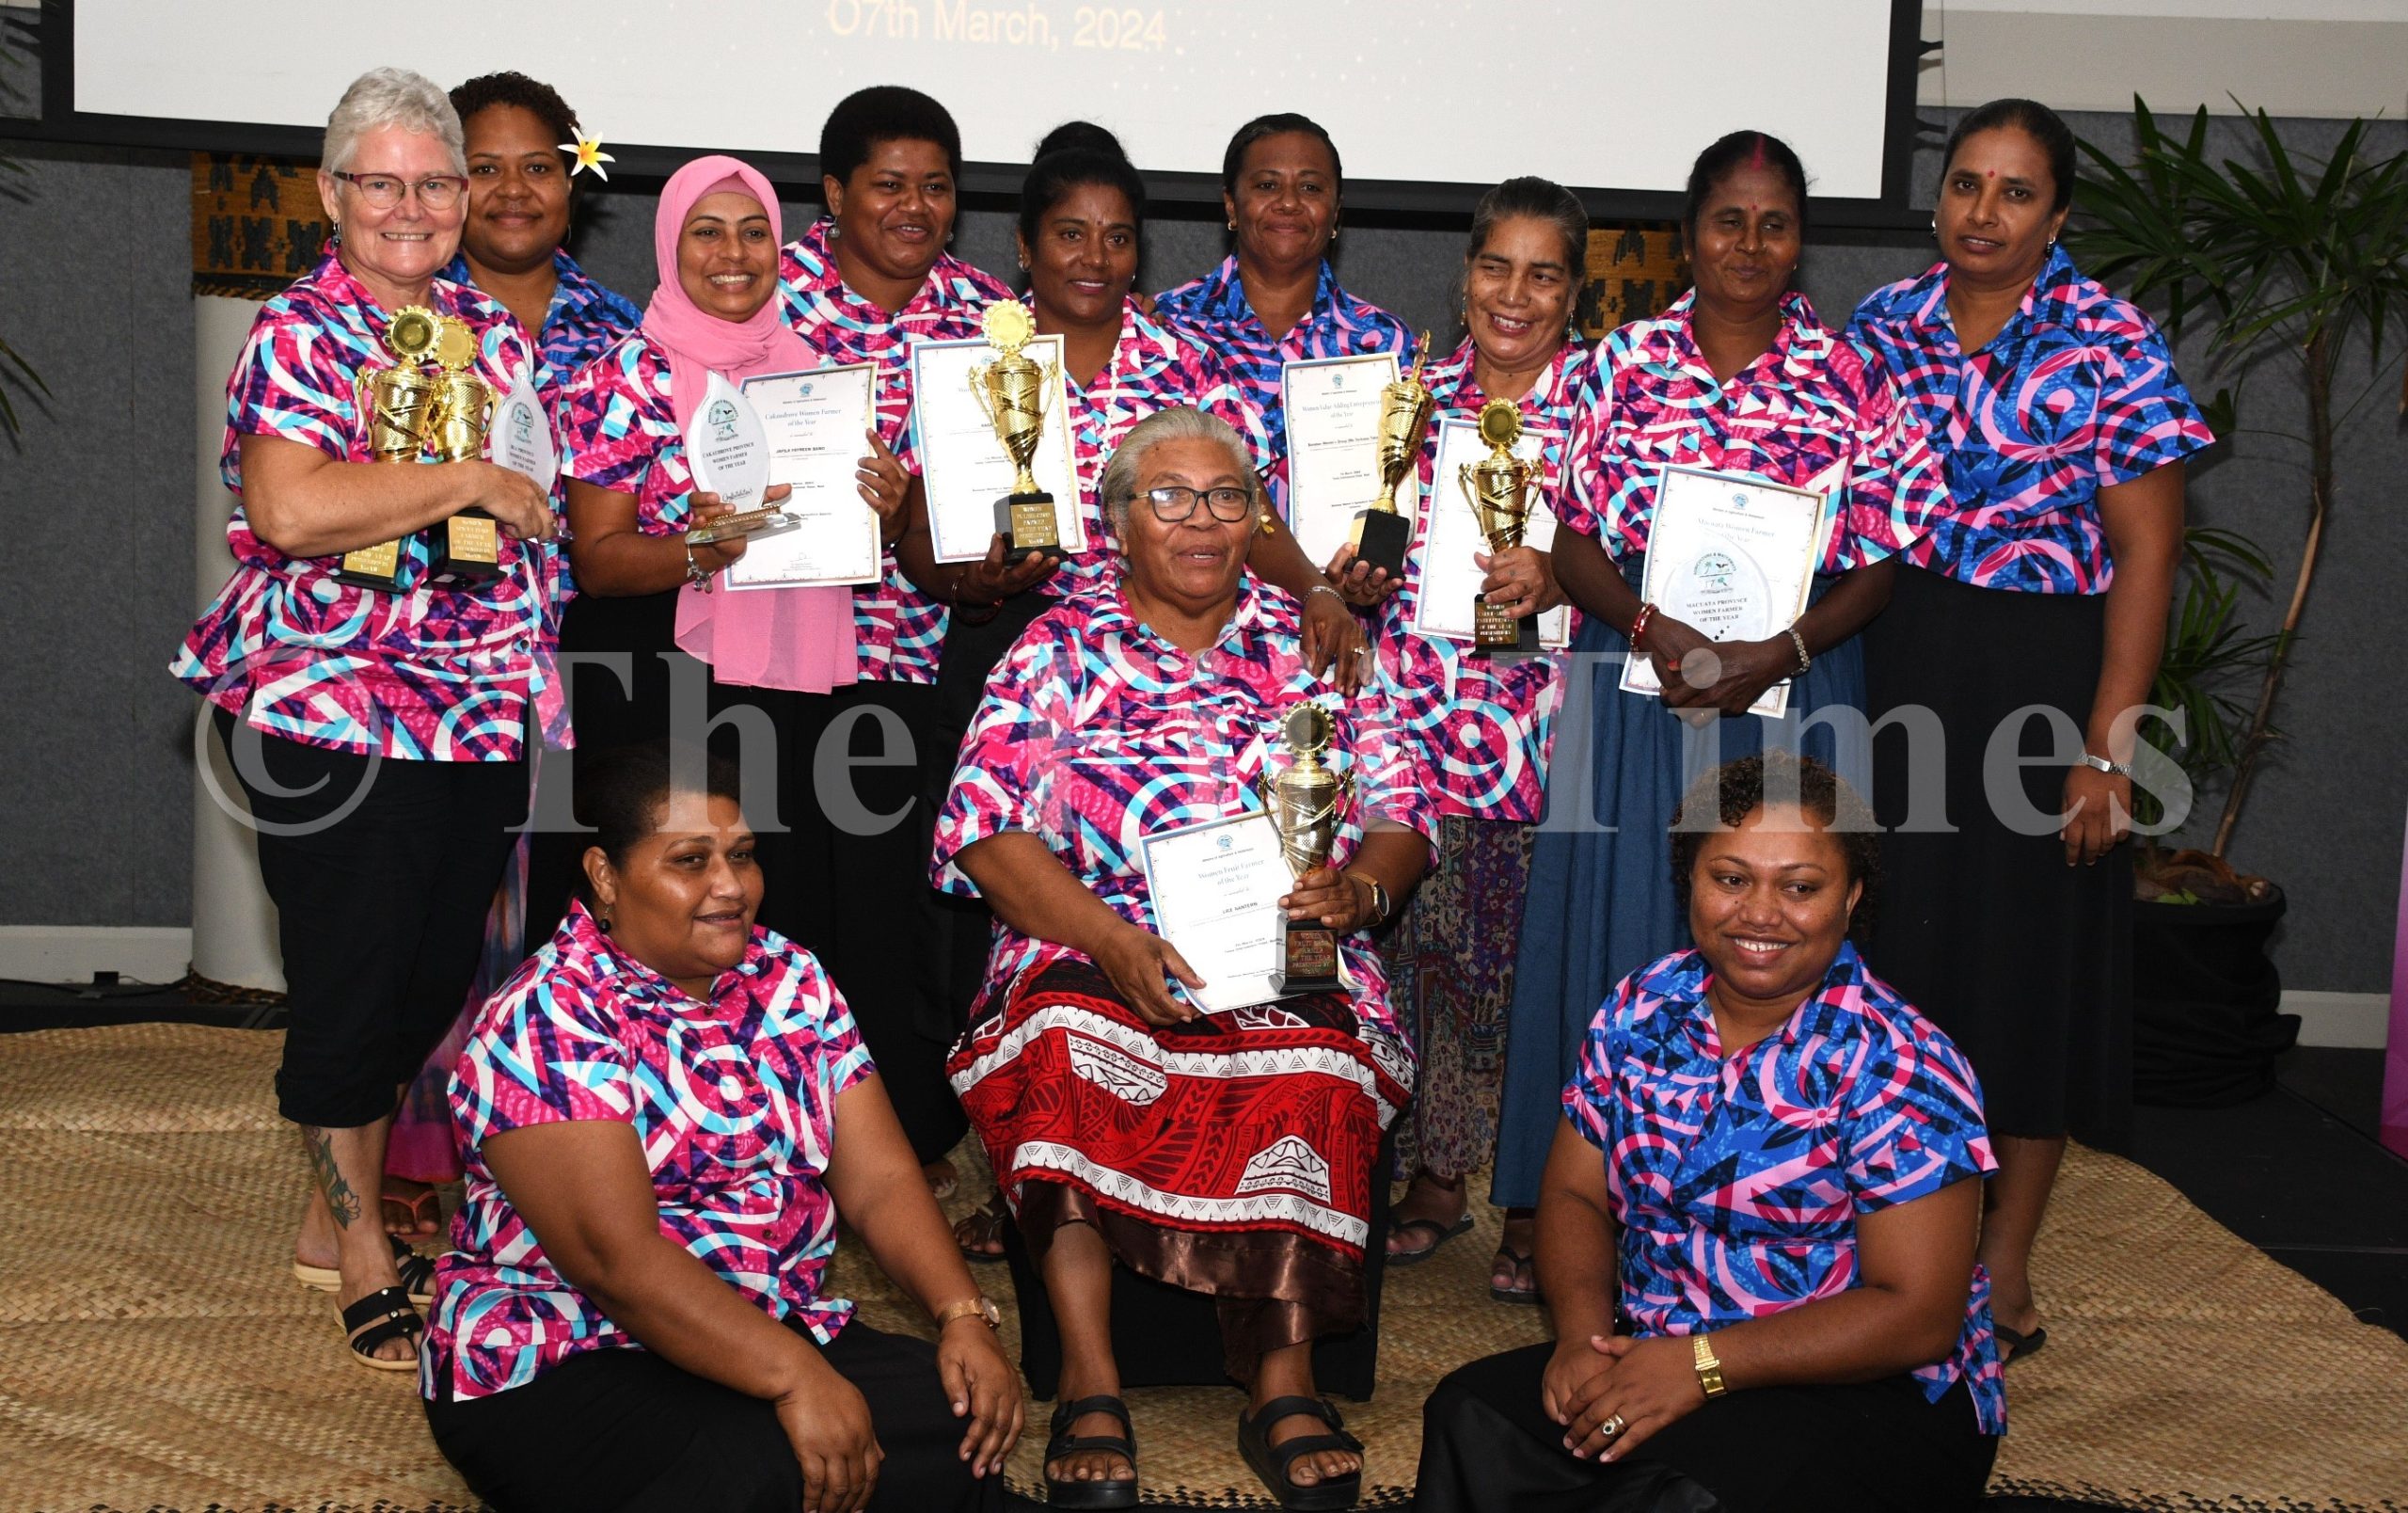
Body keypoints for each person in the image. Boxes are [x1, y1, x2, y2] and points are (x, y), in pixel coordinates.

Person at [941, 407, 1432, 1510]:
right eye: (1168, 497)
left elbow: (1403, 812)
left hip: (1288, 943)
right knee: (1064, 1044)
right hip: (1089, 935)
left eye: (1225, 497)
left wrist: (1360, 891)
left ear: (1256, 516)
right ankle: (1088, 1373)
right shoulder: (1056, 648)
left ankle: (1283, 1376)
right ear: (1118, 521)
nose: (1200, 521)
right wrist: (1108, 939)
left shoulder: (1320, 646)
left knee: (1312, 1054)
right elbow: (985, 829)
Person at [1496, 133, 1952, 1295]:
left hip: (1794, 686)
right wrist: (1658, 633)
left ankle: (1776, 1198)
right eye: (1727, 221)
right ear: (1687, 232)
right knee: (1613, 916)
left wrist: (1776, 649)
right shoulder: (1619, 363)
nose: (1749, 244)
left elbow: (1886, 562)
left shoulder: (1855, 378)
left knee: (1777, 918)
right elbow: (1570, 535)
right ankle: (1568, 1197)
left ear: (1803, 240)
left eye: (1775, 223)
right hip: (1637, 674)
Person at [908, 122, 1370, 1264]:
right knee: (989, 901)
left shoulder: (1181, 361)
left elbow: (1235, 514)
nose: (1094, 256)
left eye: (1117, 237)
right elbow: (924, 543)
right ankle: (993, 1153)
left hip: (1169, 644)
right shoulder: (975, 359)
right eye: (1071, 232)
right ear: (1023, 247)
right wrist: (977, 576)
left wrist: (1314, 590)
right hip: (1009, 639)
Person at [168, 66, 558, 1368]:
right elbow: (290, 511)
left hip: (477, 712)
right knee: (350, 983)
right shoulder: (299, 331)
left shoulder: (491, 336)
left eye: (435, 182)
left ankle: (332, 1202)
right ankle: (363, 1249)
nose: (412, 207)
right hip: (334, 717)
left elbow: (522, 510)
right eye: (382, 182)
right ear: (333, 195)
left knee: (424, 982)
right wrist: (465, 477)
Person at [420, 742, 1021, 1513]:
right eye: (690, 861)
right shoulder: (549, 1017)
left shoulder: (791, 977)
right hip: (563, 1352)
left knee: (954, 1422)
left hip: (761, 1317)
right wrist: (798, 1376)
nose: (730, 886)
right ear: (606, 875)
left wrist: (962, 1315)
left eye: (742, 856)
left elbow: (880, 1180)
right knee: (764, 1468)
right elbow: (618, 1262)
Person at [1848, 98, 2210, 1363]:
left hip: (2044, 681)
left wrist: (2110, 747)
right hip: (1891, 662)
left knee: (2025, 975)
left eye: (2014, 193)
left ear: (2057, 215)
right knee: (1895, 962)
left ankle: (1999, 1268)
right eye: (1965, 186)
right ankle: (1882, 1246)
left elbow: (2150, 552)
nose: (1982, 214)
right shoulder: (1883, 324)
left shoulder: (2109, 339)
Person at [1416, 753, 2004, 1513]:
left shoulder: (1899, 1062)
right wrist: (1584, 1342)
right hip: (1657, 1341)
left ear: (1851, 896)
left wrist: (1700, 1367)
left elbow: (1917, 1315)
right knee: (1473, 1414)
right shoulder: (1642, 1008)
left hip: (1865, 1384)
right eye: (1730, 879)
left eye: (1800, 887)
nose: (1760, 913)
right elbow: (1572, 1194)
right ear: (1688, 880)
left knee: (1679, 1495)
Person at [381, 68, 646, 1241]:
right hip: (414, 665)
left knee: (537, 930)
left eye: (539, 164)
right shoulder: (396, 320)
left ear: (572, 182)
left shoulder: (619, 331)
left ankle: (525, 1164)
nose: (511, 188)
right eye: (481, 165)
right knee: (418, 921)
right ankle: (397, 1145)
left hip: (571, 670)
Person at [1326, 179, 1602, 1302]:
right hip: (1413, 730)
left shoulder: (1608, 404)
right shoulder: (1407, 399)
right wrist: (1353, 575)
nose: (1515, 295)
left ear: (1574, 292)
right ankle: (1437, 1178)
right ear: (1465, 274)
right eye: (1497, 268)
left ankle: (1538, 1202)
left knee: (1521, 974)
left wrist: (1563, 572)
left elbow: (1635, 559)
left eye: (1543, 274)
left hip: (1541, 735)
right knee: (1418, 962)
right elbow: (1355, 549)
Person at [769, 87, 1014, 1194]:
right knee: (776, 910)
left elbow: (1007, 505)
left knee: (895, 923)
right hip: (770, 659)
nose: (915, 206)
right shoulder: (759, 293)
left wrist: (933, 515)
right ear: (832, 194)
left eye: (935, 185)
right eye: (888, 183)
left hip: (919, 666)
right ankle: (767, 1140)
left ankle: (907, 1153)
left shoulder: (989, 322)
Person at [1153, 112, 1417, 518]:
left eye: (1310, 187)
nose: (1290, 202)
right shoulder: (1168, 325)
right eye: (1267, 185)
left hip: (1341, 576)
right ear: (1231, 204)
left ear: (1336, 213)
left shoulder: (1384, 343)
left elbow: (1410, 493)